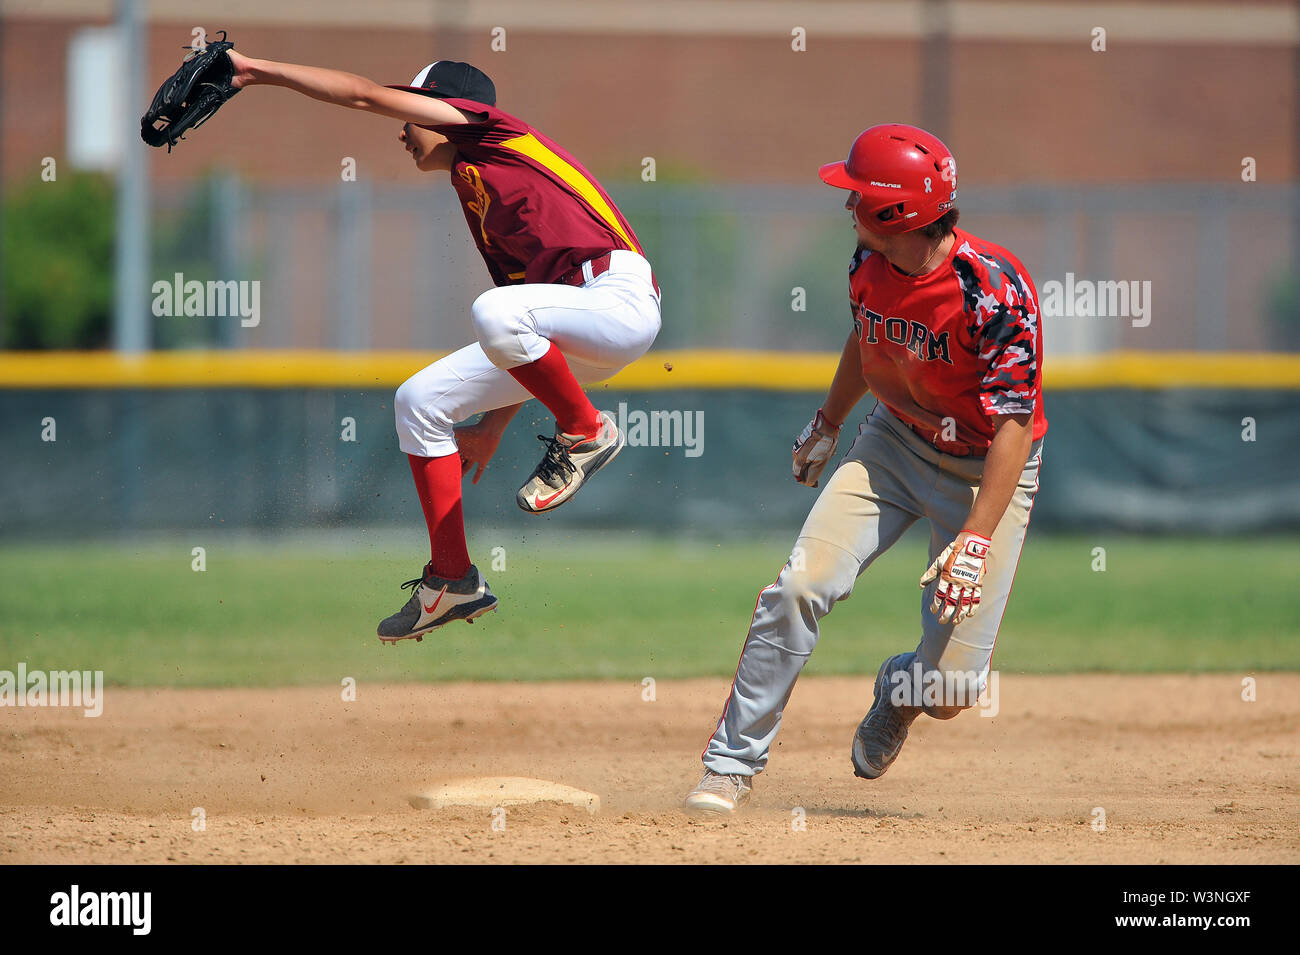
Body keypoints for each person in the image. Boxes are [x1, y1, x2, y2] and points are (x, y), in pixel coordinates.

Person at [224, 54, 661, 642]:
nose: (402, 131)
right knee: (420, 401)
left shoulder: (492, 131)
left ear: (445, 109)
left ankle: (585, 430)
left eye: (412, 113)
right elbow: (524, 340)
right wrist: (490, 428)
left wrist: (255, 71)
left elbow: (360, 94)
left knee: (493, 311)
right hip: (578, 325)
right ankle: (452, 580)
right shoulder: (478, 191)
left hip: (617, 297)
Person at [684, 124, 1047, 814]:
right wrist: (828, 420)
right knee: (799, 586)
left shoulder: (994, 289)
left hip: (984, 470)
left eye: (858, 195)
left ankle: (901, 687)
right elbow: (867, 337)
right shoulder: (866, 264)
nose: (847, 206)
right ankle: (730, 764)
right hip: (891, 447)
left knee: (951, 692)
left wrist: (975, 536)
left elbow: (1015, 426)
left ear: (896, 212)